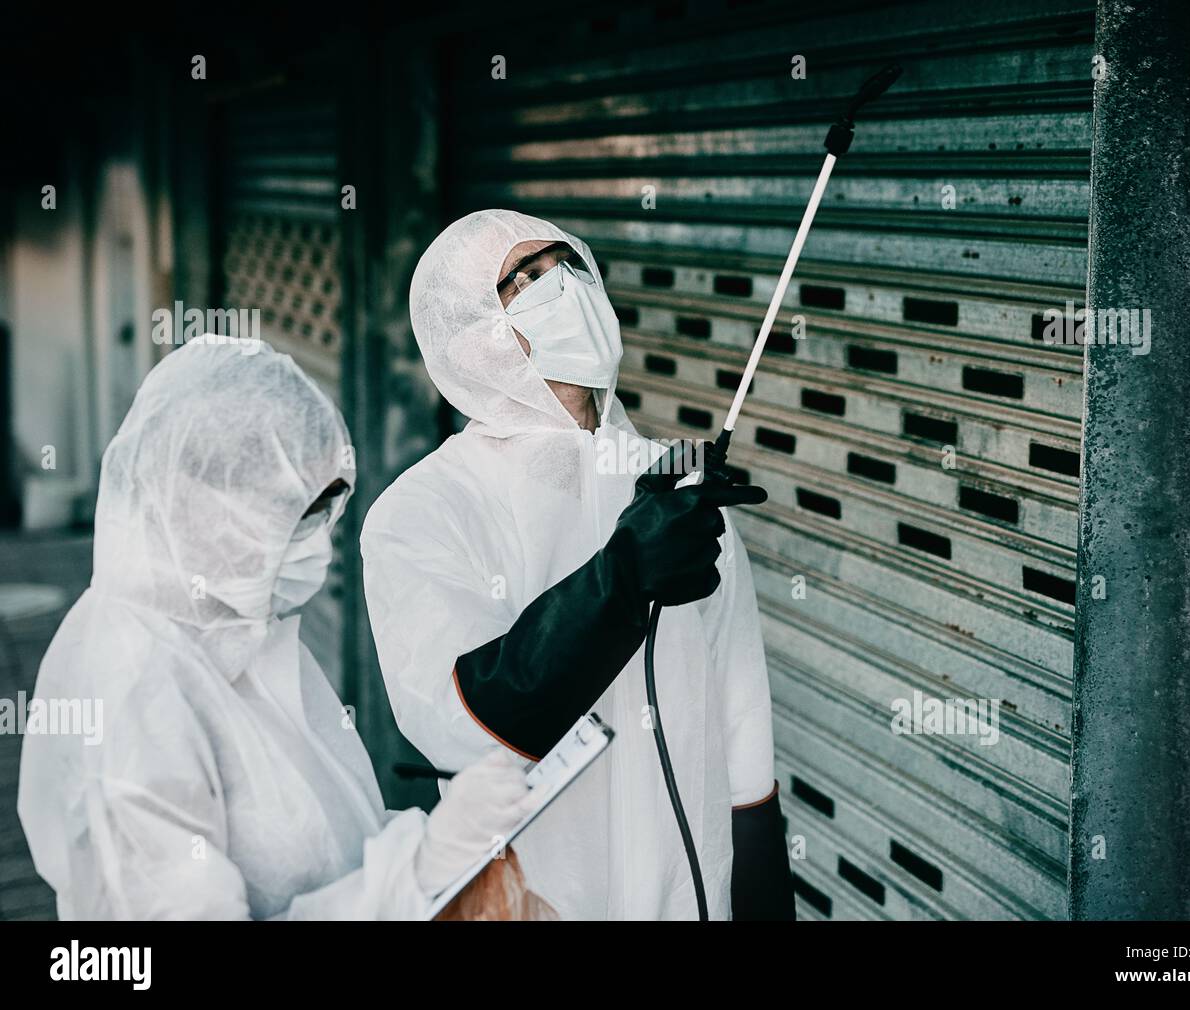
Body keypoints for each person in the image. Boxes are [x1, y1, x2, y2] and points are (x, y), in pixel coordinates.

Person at [362, 209, 795, 920]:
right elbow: (461, 722)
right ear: (472, 340)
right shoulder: (425, 510)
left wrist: (761, 894)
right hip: (539, 898)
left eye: (568, 266)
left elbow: (741, 709)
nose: (560, 286)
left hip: (686, 895)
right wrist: (623, 578)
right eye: (523, 280)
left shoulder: (675, 493)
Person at [17, 336, 545, 920]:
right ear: (205, 501)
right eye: (299, 515)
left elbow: (323, 840)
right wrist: (418, 870)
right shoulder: (131, 687)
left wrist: (432, 847)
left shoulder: (234, 626)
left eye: (328, 512)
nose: (321, 543)